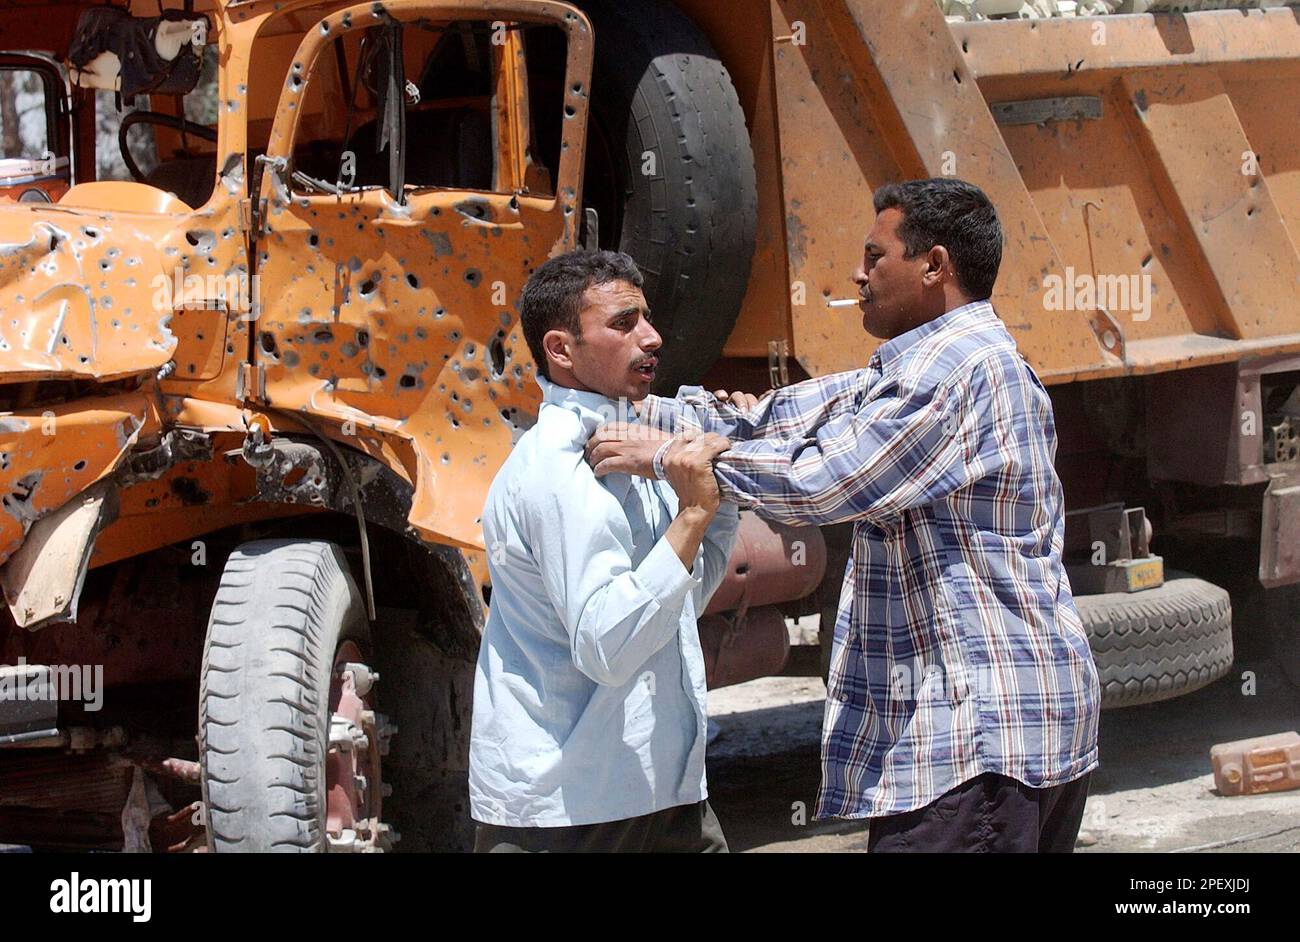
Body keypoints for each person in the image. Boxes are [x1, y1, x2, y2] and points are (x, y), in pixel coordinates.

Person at [588, 178, 1101, 853]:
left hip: (977, 740)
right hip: (996, 739)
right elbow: (778, 416)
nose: (858, 274)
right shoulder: (918, 368)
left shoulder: (956, 371)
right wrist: (639, 410)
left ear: (934, 266)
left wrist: (668, 457)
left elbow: (823, 482)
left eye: (874, 256)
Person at [469, 249, 739, 853]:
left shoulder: (637, 444)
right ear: (561, 350)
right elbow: (609, 648)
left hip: (659, 793)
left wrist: (720, 486)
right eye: (623, 323)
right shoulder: (562, 469)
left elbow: (676, 610)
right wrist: (692, 513)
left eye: (645, 317)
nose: (652, 337)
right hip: (572, 811)